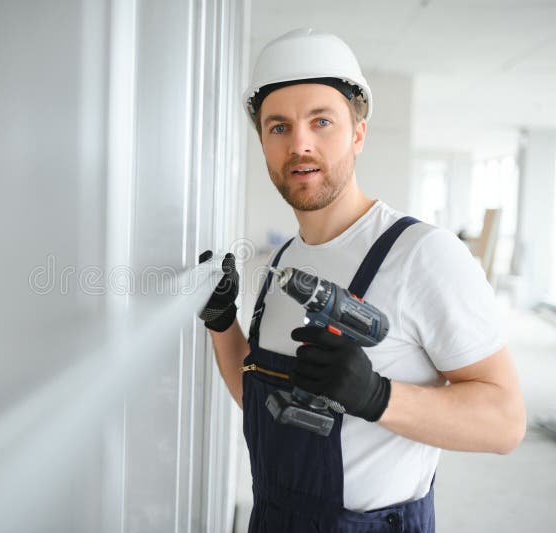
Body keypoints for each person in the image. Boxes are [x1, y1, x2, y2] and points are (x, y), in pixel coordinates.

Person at [198, 29, 526, 532]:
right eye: (279, 127)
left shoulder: (423, 255)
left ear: (358, 133)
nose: (300, 144)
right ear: (262, 142)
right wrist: (223, 323)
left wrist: (379, 397)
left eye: (321, 121)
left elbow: (506, 422)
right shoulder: (282, 263)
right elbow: (261, 403)